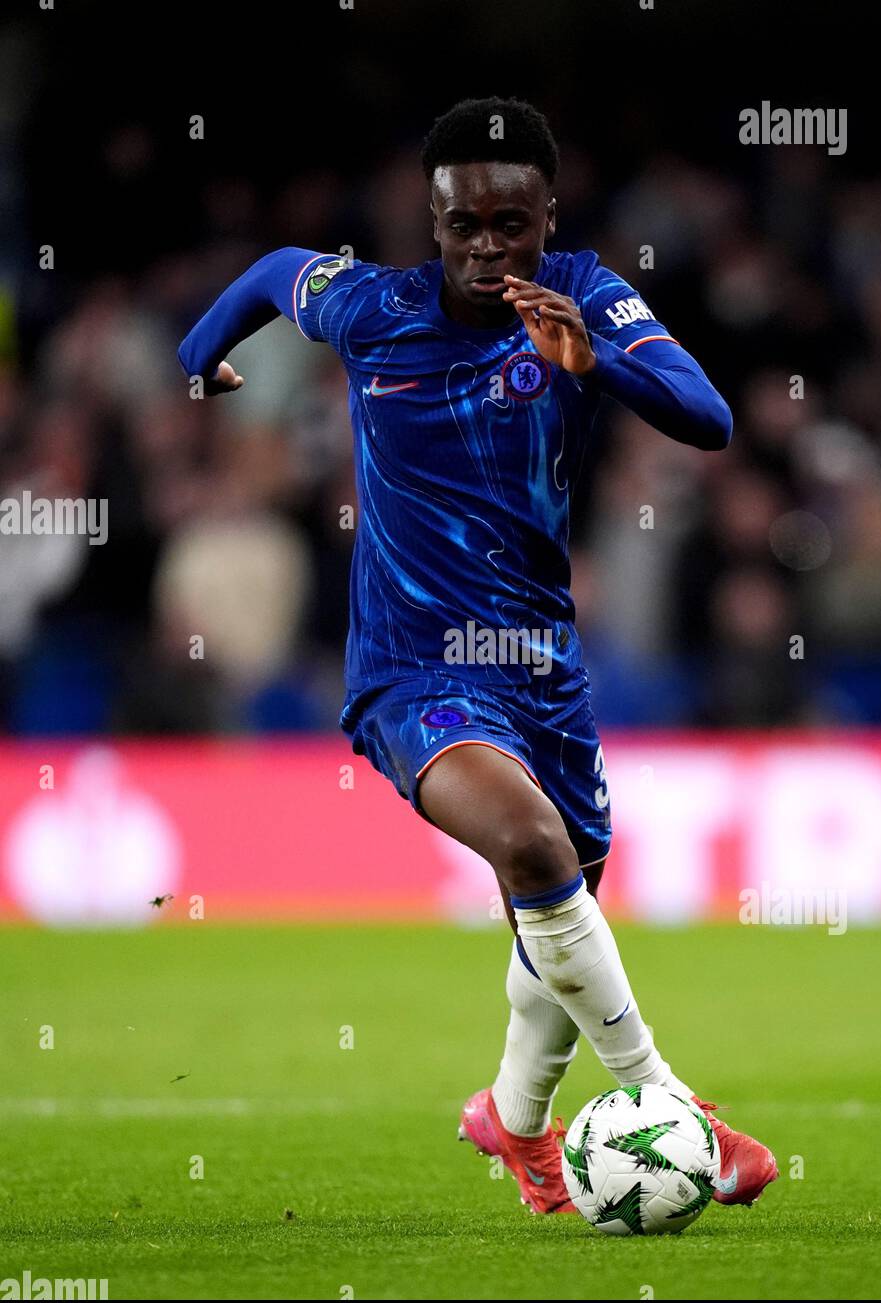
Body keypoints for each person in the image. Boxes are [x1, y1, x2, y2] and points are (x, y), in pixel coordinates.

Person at [178, 96, 777, 1215]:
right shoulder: (373, 308)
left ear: (548, 215)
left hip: (542, 669)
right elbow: (271, 272)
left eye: (510, 221)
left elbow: (708, 418)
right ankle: (673, 1107)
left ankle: (511, 1117)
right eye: (462, 223)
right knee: (532, 845)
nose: (485, 246)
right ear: (433, 218)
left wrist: (596, 360)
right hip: (412, 670)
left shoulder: (586, 297)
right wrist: (197, 356)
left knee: (556, 902)